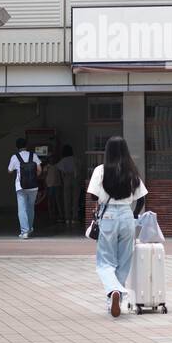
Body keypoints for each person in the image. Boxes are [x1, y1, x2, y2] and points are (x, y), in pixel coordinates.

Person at [87, 136, 147, 318]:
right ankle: (115, 299)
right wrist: (134, 215)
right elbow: (141, 198)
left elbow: (93, 197)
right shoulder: (132, 172)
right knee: (124, 262)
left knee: (105, 262)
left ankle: (113, 291)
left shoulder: (100, 170)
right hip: (127, 216)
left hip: (109, 217)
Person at [8, 138, 41, 238]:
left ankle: (24, 231)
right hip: (33, 186)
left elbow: (9, 170)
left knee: (22, 209)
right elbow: (39, 169)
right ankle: (30, 228)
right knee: (31, 208)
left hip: (20, 186)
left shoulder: (15, 157)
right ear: (26, 145)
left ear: (17, 147)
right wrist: (33, 177)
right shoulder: (33, 155)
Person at [57, 145, 79, 225]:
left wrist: (63, 180)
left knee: (66, 199)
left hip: (66, 178)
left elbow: (61, 172)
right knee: (75, 199)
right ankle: (74, 218)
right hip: (75, 178)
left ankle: (67, 218)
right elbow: (78, 169)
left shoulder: (63, 160)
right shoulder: (75, 159)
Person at [43, 156, 64, 222]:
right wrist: (45, 185)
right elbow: (44, 176)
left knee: (57, 200)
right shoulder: (47, 167)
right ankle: (52, 214)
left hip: (56, 185)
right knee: (51, 200)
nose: (52, 160)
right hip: (50, 185)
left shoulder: (57, 166)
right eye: (51, 159)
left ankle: (59, 214)